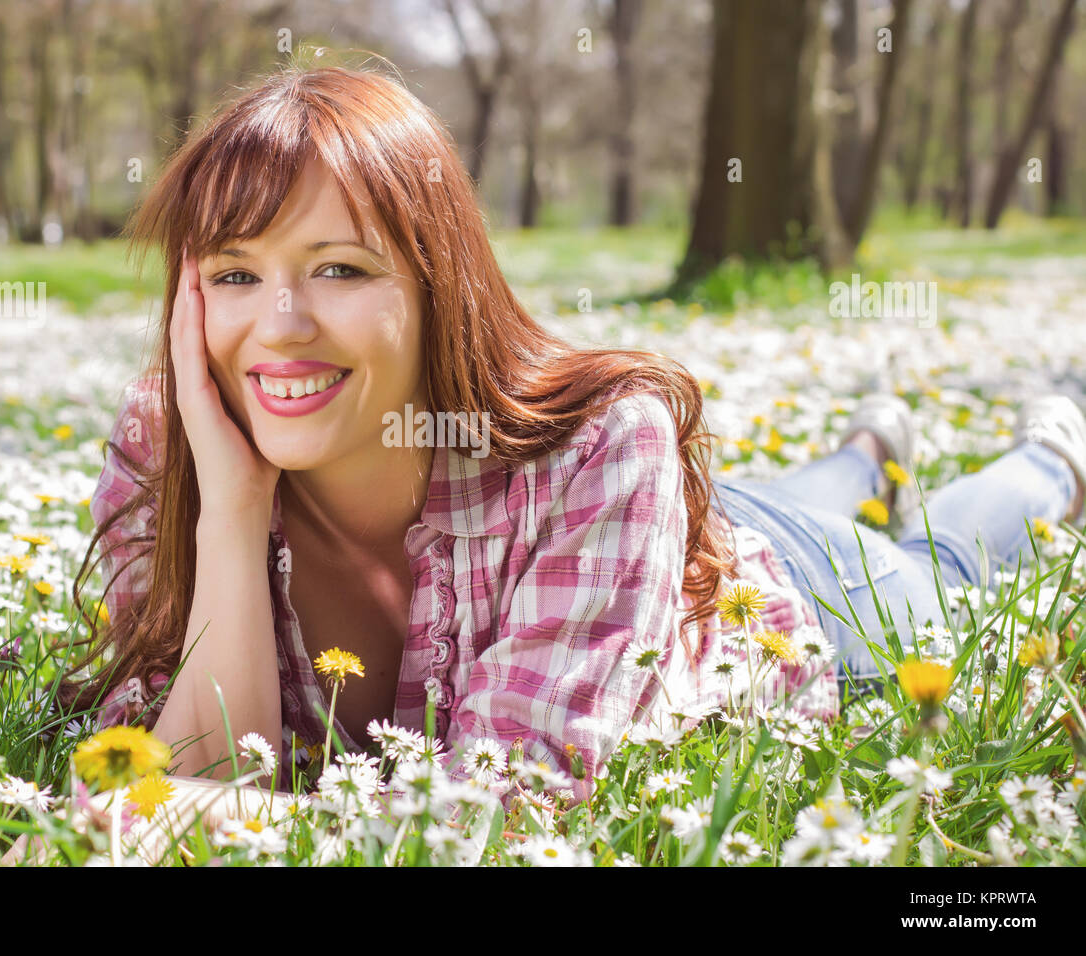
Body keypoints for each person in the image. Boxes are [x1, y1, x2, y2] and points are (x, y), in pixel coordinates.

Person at [54, 62, 1086, 811]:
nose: (277, 324)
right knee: (812, 490)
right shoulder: (175, 436)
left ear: (435, 280)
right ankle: (867, 450)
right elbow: (208, 763)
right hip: (663, 531)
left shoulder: (599, 450)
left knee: (937, 565)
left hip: (774, 593)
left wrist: (179, 813)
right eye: (234, 274)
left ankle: (1047, 456)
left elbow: (499, 810)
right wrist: (233, 516)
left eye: (339, 269)